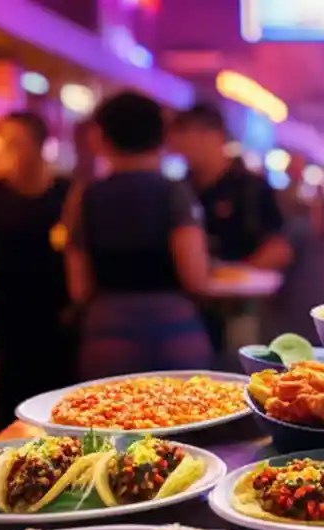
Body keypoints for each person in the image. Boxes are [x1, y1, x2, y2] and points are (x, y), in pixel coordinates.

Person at [65, 90, 213, 377]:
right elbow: (194, 277)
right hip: (174, 329)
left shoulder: (85, 198)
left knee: (108, 417)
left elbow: (79, 287)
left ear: (102, 137)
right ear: (160, 136)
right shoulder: (174, 193)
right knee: (186, 415)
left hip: (108, 331)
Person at [0, 111, 74, 415]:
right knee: (12, 415)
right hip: (6, 327)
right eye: (5, 143)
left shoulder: (68, 196)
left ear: (40, 146)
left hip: (62, 327)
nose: (7, 152)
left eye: (16, 143)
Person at [167, 103, 290, 354]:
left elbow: (280, 248)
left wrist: (235, 274)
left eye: (183, 135)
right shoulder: (177, 189)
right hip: (187, 309)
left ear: (213, 136)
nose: (176, 145)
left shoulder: (251, 187)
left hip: (239, 310)